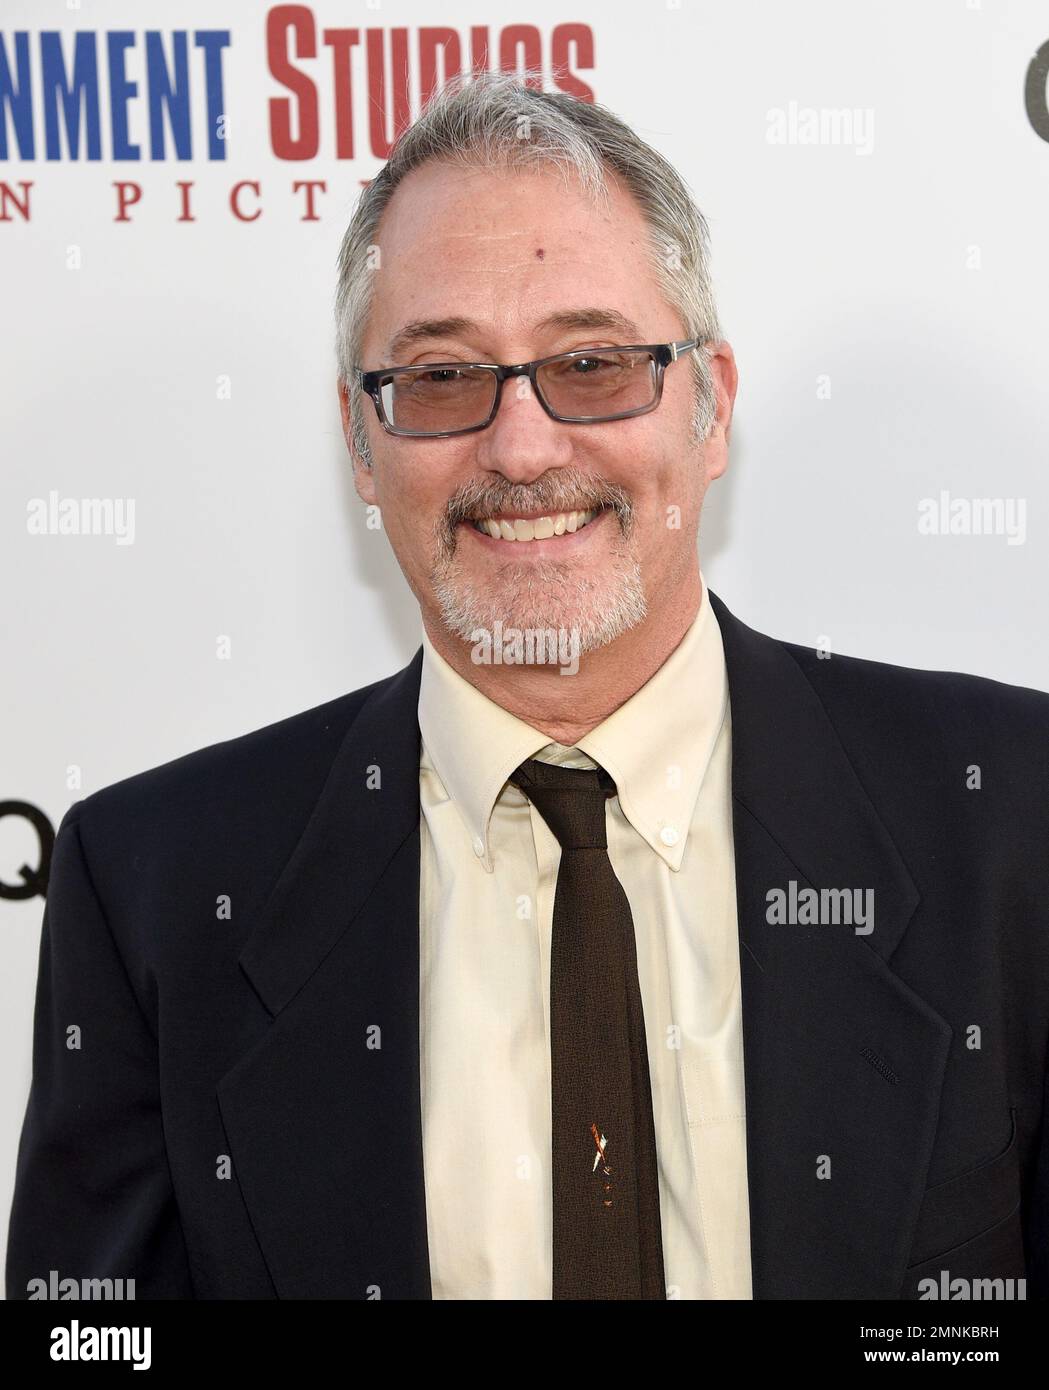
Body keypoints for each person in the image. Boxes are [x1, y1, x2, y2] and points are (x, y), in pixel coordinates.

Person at [7, 71, 1048, 1302]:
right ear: (357, 439)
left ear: (710, 406)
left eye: (593, 363)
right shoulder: (155, 884)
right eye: (442, 378)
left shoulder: (1008, 815)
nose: (520, 447)